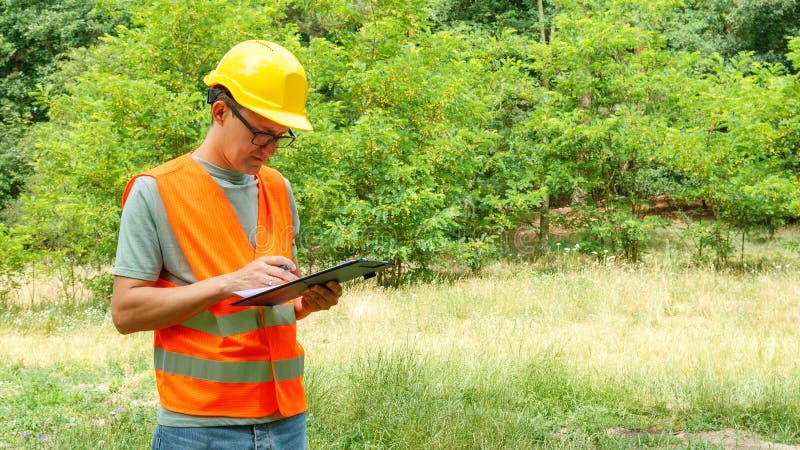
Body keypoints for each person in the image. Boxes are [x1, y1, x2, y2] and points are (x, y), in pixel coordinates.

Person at [111, 40, 342, 450]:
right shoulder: (156, 191)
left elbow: (262, 303)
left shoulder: (277, 187)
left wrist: (303, 304)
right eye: (260, 134)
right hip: (199, 429)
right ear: (220, 112)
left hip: (286, 422)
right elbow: (126, 313)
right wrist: (227, 282)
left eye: (280, 137)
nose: (270, 150)